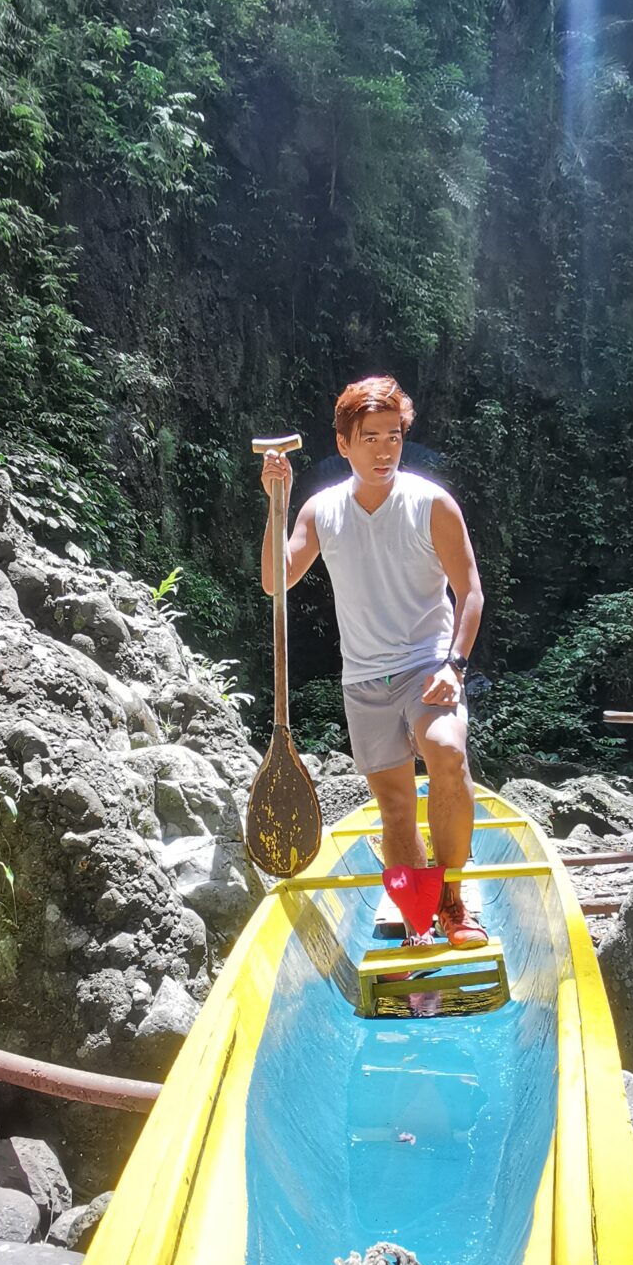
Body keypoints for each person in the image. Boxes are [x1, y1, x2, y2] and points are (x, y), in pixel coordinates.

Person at [260, 375, 487, 947]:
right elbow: (275, 581)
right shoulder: (322, 510)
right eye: (371, 438)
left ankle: (454, 902)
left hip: (427, 664)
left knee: (447, 755)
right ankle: (417, 918)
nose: (385, 450)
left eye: (394, 436)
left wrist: (453, 666)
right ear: (344, 444)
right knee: (392, 805)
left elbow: (471, 593)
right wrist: (277, 507)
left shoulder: (431, 504)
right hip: (362, 678)